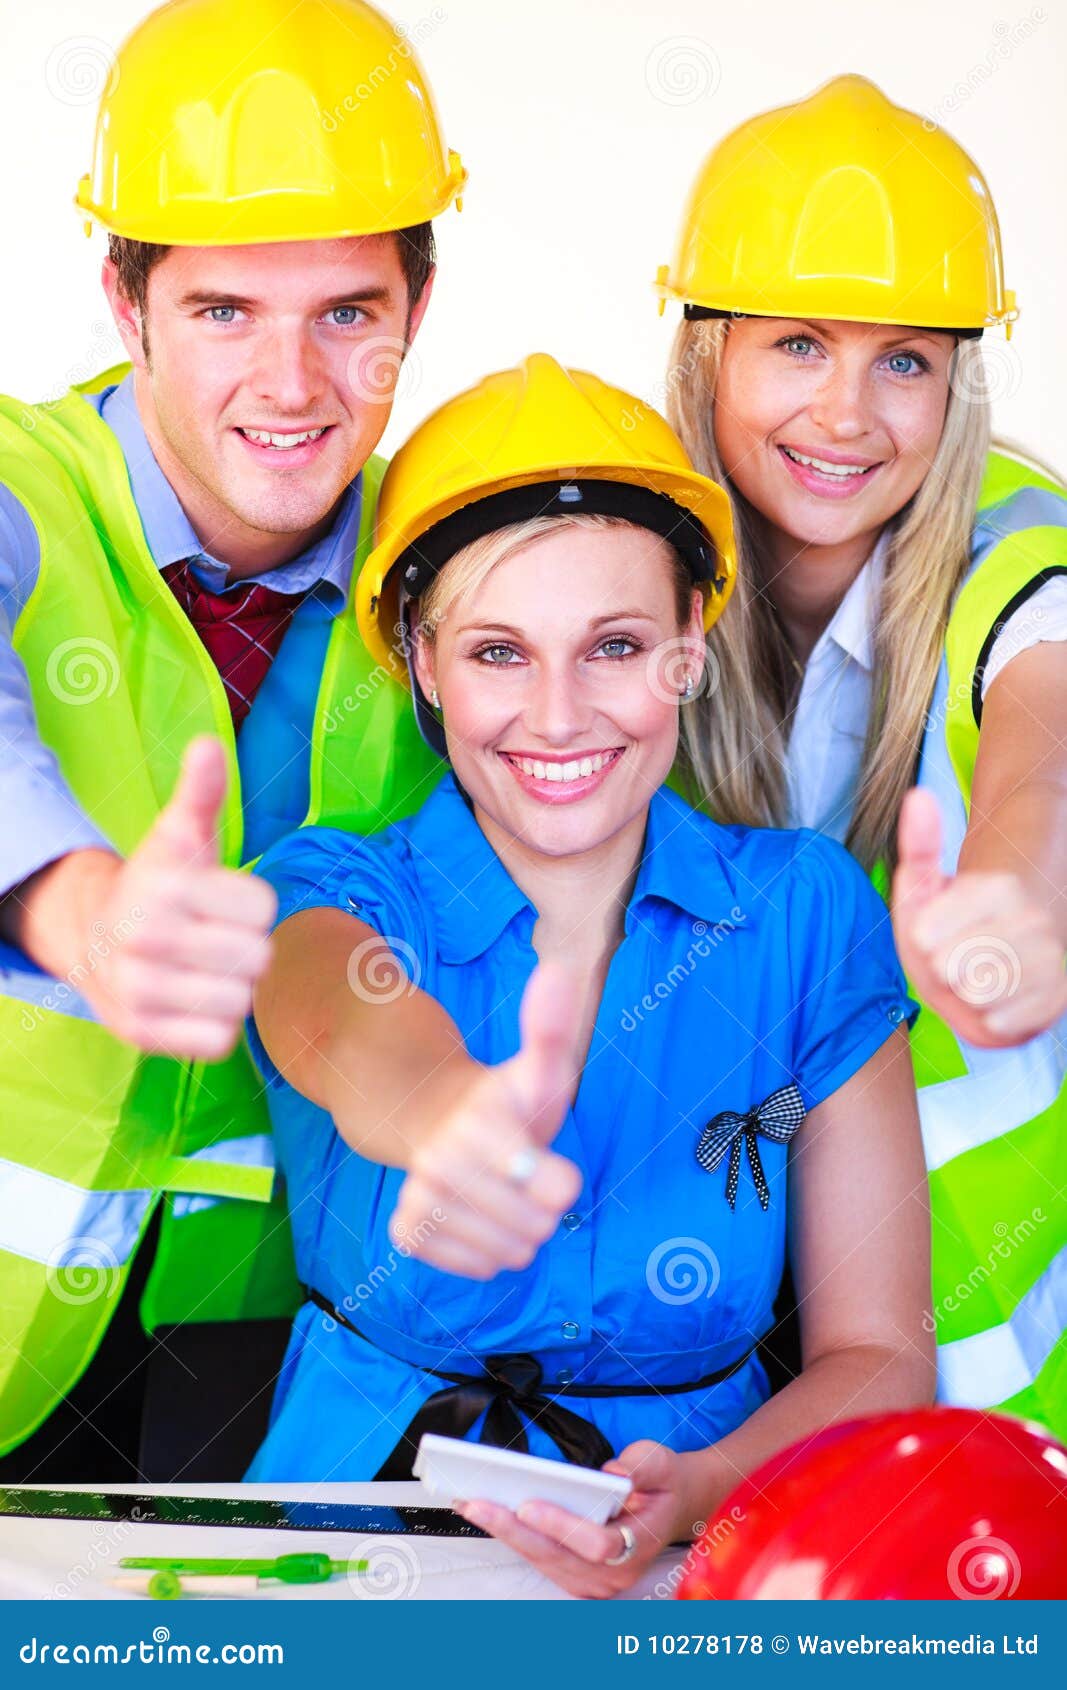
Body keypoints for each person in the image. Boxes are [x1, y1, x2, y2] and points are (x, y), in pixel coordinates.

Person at [245, 355, 933, 1597]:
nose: (557, 716)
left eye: (612, 646)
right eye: (498, 653)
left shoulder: (801, 912)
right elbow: (329, 1007)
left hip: (705, 1544)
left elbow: (880, 1351)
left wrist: (705, 1483)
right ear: (421, 662)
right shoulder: (338, 887)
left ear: (688, 648)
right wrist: (440, 1107)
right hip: (350, 1544)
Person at [0, 0, 464, 1480]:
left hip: (268, 1341)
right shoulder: (24, 478)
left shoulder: (451, 556)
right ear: (125, 304)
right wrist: (69, 903)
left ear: (418, 307)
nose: (291, 385)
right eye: (223, 314)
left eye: (347, 314)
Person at [656, 74, 1067, 1437]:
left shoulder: (1017, 560)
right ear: (704, 347)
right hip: (681, 1351)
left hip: (975, 1391)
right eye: (796, 345)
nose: (846, 415)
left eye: (903, 360)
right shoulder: (621, 538)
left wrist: (1015, 899)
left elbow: (1042, 742)